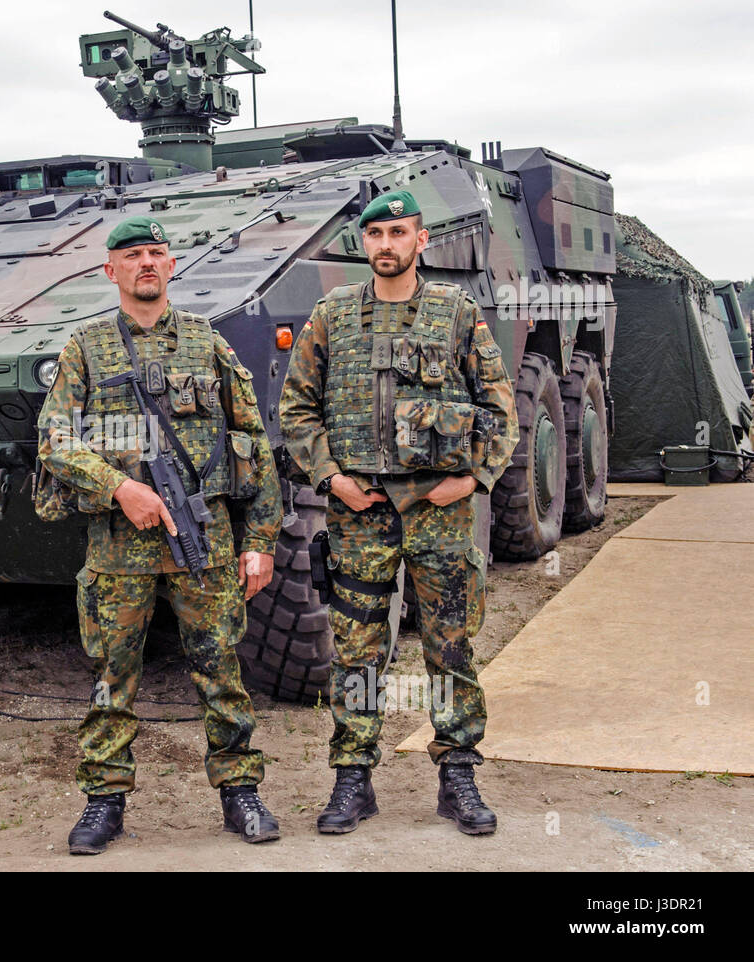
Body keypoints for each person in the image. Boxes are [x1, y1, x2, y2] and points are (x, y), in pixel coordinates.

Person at [37, 215, 284, 854]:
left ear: (171, 266)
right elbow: (54, 440)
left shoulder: (208, 344)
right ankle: (104, 801)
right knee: (111, 676)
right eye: (132, 255)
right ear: (110, 269)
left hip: (204, 540)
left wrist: (260, 541)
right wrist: (121, 487)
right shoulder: (86, 348)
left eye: (156, 253)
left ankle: (240, 791)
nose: (146, 263)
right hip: (120, 547)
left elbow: (255, 443)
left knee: (220, 668)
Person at [279, 190, 519, 836]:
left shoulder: (456, 314)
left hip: (438, 508)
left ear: (422, 241)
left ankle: (458, 775)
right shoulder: (332, 316)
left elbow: (500, 410)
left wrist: (470, 479)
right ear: (365, 244)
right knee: (356, 651)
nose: (386, 244)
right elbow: (296, 408)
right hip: (359, 513)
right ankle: (353, 778)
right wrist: (331, 477)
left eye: (398, 232)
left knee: (450, 645)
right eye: (376, 234)